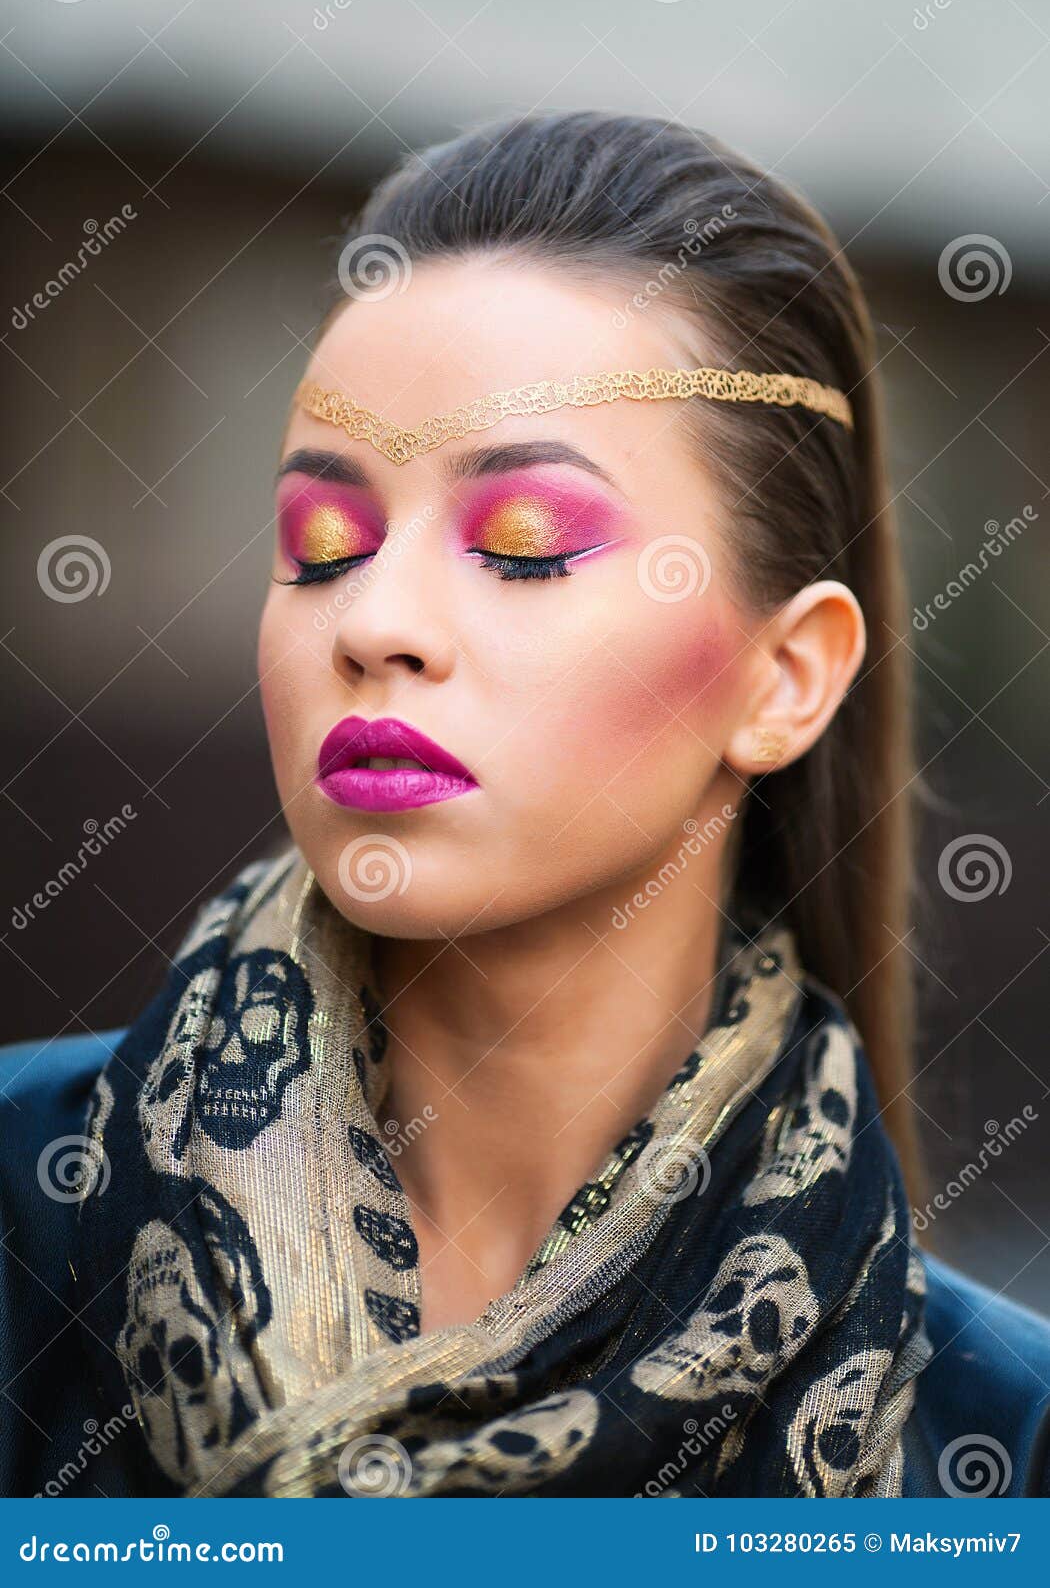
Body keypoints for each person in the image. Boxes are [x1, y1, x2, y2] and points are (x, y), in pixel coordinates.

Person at [2, 111, 1048, 1500]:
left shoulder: (992, 1441)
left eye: (524, 546)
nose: (374, 621)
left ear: (784, 678)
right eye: (321, 546)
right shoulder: (26, 1220)